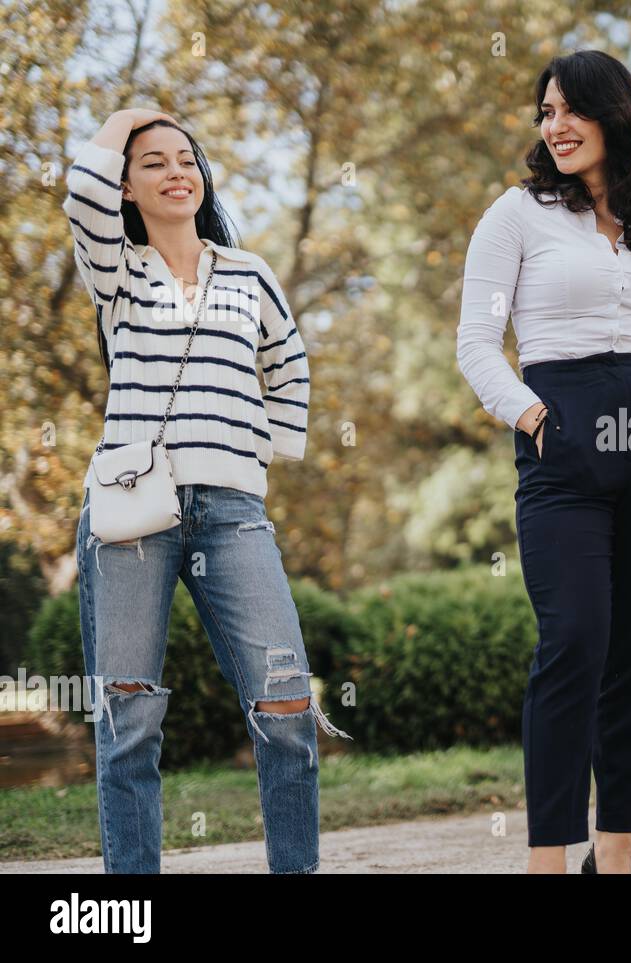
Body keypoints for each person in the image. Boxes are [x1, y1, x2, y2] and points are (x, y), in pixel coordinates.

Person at [65, 108, 350, 875]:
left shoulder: (248, 272)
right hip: (131, 515)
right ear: (126, 187)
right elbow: (78, 192)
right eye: (153, 162)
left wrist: (260, 452)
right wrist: (134, 117)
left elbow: (290, 365)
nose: (175, 172)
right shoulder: (115, 272)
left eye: (185, 158)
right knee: (128, 720)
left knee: (287, 704)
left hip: (233, 515)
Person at [457, 50, 631, 874]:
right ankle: (548, 860)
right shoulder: (516, 215)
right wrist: (531, 415)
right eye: (544, 113)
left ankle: (617, 854)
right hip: (564, 451)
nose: (553, 126)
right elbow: (476, 344)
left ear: (614, 116)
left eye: (569, 110)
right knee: (574, 642)